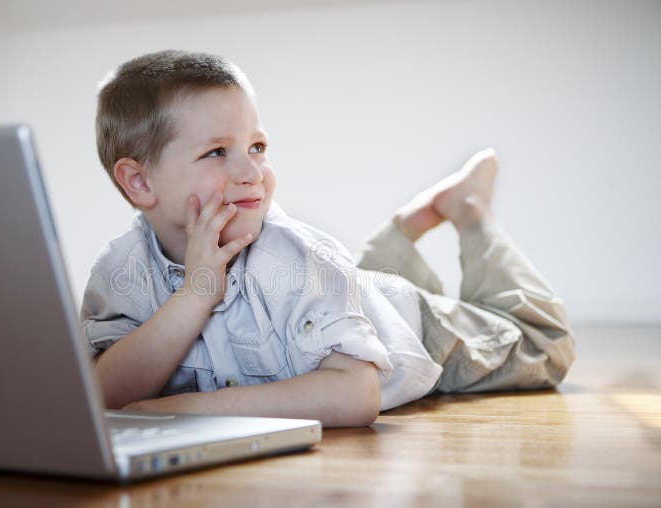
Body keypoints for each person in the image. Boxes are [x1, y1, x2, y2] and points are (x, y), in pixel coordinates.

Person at [81, 50, 575, 427]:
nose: (252, 170)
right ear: (140, 183)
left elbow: (356, 394)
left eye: (257, 146)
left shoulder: (292, 256)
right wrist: (195, 295)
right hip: (346, 292)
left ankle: (469, 212)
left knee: (542, 346)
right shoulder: (120, 273)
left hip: (417, 331)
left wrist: (191, 410)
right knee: (354, 280)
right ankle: (401, 234)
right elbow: (105, 393)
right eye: (216, 152)